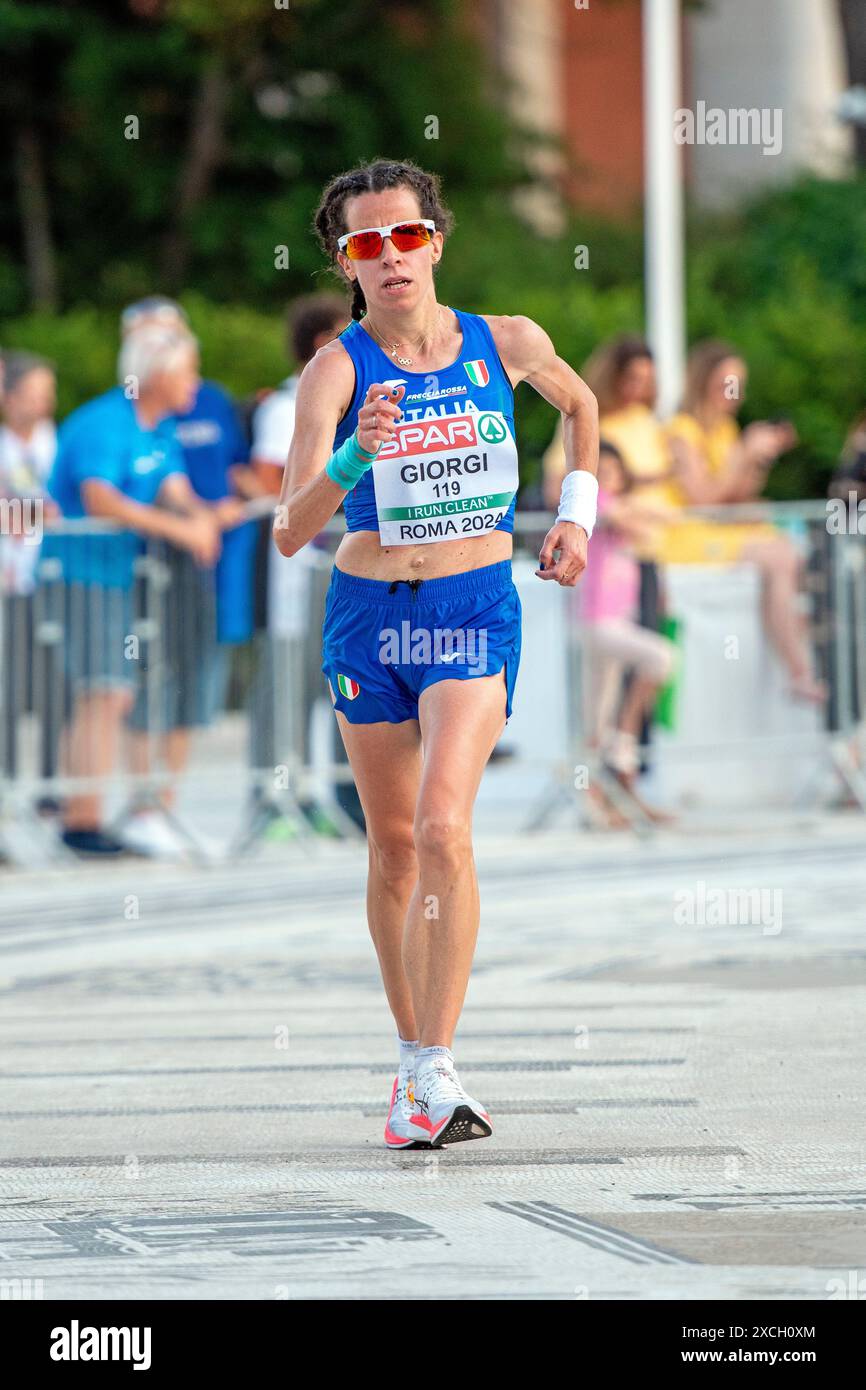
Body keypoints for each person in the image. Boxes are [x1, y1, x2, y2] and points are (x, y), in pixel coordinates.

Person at [273, 158, 599, 1148]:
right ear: (346, 262)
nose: (391, 257)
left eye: (405, 235)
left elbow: (581, 410)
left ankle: (437, 1065)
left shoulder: (504, 342)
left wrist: (577, 517)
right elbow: (290, 528)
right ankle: (412, 1066)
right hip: (369, 613)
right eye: (367, 244)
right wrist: (353, 455)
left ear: (435, 241)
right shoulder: (336, 368)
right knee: (394, 847)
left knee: (445, 826)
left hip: (470, 606)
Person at [44, 324, 221, 856]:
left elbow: (175, 490)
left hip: (118, 578)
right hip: (81, 573)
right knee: (105, 691)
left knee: (111, 691)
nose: (195, 383)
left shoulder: (159, 427)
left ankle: (87, 815)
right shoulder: (106, 422)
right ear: (160, 373)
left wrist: (204, 519)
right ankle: (81, 819)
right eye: (188, 371)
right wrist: (182, 530)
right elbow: (100, 500)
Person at [116, 300, 253, 856]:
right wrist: (193, 519)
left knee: (195, 686)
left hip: (206, 566)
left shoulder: (210, 399)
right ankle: (140, 804)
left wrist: (251, 502)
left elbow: (233, 471)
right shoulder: (128, 411)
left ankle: (164, 806)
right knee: (143, 682)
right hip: (142, 568)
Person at [245, 293, 360, 838]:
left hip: (341, 570)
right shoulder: (285, 403)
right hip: (296, 572)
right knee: (286, 685)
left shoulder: (359, 393)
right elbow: (272, 482)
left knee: (340, 682)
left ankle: (335, 795)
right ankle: (272, 797)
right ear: (319, 343)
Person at [665, 340, 825, 703]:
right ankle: (799, 671)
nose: (734, 395)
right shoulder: (682, 430)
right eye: (727, 384)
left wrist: (759, 460)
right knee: (781, 558)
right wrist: (743, 454)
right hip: (690, 535)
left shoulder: (725, 430)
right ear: (704, 382)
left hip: (722, 529)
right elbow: (702, 500)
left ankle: (807, 654)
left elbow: (735, 496)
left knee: (797, 556)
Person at [576, 441, 677, 825]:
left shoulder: (615, 504)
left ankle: (620, 787)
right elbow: (632, 523)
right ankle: (600, 794)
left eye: (616, 472)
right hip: (599, 622)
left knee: (600, 712)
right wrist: (650, 515)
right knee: (659, 658)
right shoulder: (595, 505)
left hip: (616, 621)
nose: (610, 479)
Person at [0, 352, 60, 791]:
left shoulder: (54, 441)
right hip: (9, 578)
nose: (42, 405)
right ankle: (7, 782)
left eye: (47, 395)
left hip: (50, 575)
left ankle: (49, 787)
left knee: (55, 686)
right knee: (10, 687)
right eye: (33, 395)